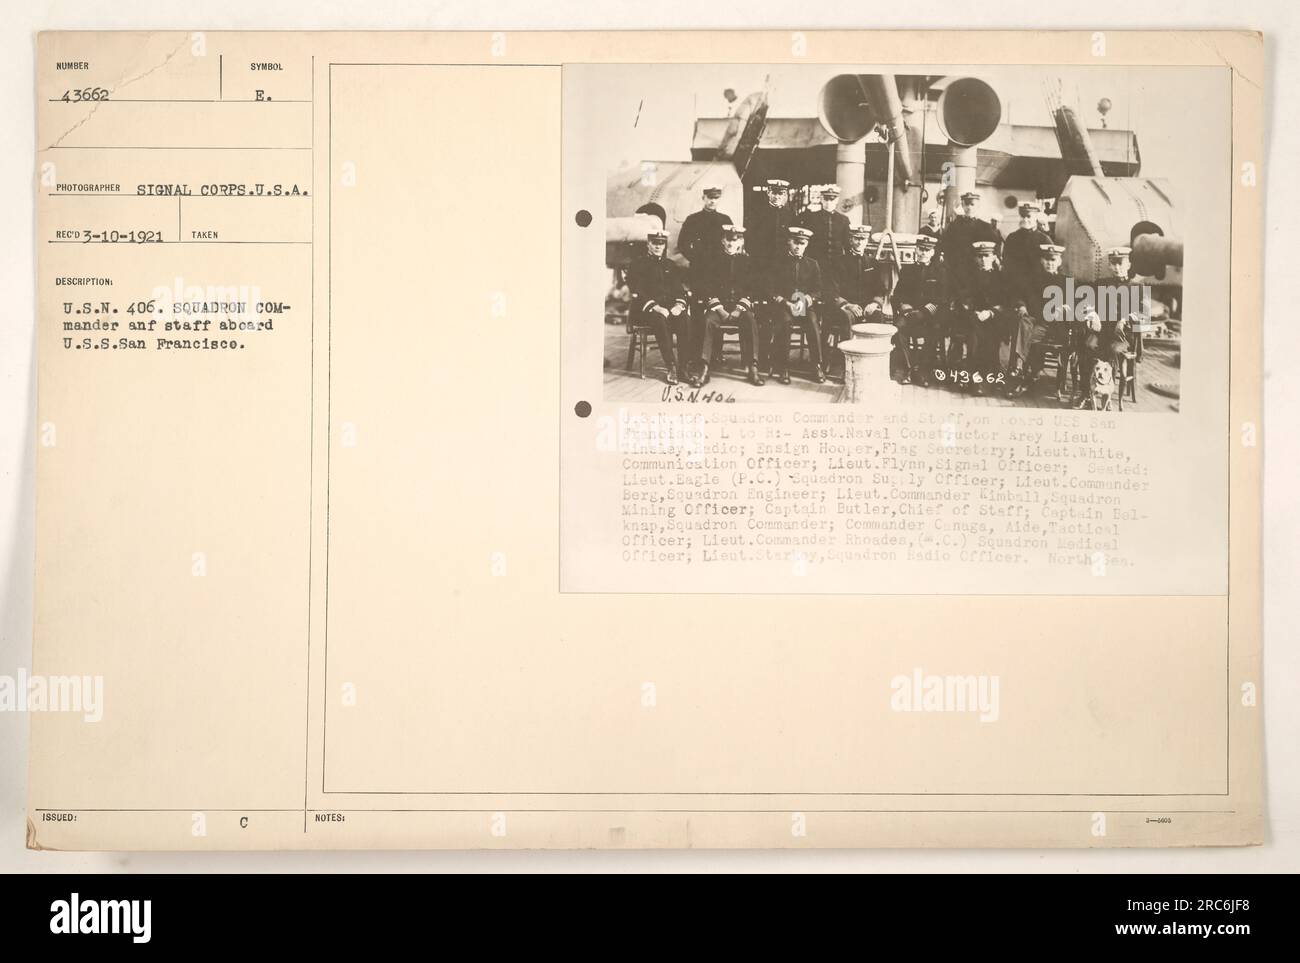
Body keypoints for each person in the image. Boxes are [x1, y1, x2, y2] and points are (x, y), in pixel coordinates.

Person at [690, 225, 764, 387]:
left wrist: (739, 309)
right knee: (708, 321)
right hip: (718, 308)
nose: (731, 243)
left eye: (735, 240)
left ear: (741, 242)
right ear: (722, 241)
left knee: (751, 321)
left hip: (740, 308)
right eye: (728, 239)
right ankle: (704, 368)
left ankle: (753, 367)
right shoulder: (711, 260)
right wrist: (720, 309)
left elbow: (752, 288)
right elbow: (706, 287)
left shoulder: (747, 261)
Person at [625, 229, 688, 385]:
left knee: (685, 319)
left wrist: (679, 305)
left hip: (669, 308)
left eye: (661, 243)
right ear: (648, 244)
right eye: (655, 243)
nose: (658, 246)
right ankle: (671, 366)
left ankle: (684, 367)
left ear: (664, 245)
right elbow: (638, 292)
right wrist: (657, 307)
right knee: (660, 319)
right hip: (645, 310)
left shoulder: (670, 265)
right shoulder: (638, 264)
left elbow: (679, 289)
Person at [764, 226, 825, 384]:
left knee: (813, 323)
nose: (798, 247)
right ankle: (783, 367)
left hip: (804, 306)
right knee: (785, 323)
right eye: (795, 243)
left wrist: (806, 300)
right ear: (788, 243)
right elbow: (770, 289)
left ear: (807, 245)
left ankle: (816, 365)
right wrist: (786, 303)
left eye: (802, 243)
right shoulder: (777, 263)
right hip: (784, 306)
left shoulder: (813, 264)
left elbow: (818, 290)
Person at [827, 224, 886, 378]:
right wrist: (847, 304)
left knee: (878, 316)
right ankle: (847, 365)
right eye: (856, 239)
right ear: (851, 240)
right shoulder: (838, 262)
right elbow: (832, 289)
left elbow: (880, 290)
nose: (860, 242)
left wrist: (874, 304)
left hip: (867, 307)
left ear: (867, 241)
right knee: (847, 317)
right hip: (845, 307)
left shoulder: (873, 263)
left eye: (863, 239)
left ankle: (874, 362)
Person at [893, 233, 947, 384]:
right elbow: (897, 294)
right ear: (916, 250)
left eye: (927, 250)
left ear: (933, 252)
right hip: (909, 313)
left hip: (929, 315)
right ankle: (909, 368)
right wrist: (903, 306)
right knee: (898, 329)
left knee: (934, 331)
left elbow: (942, 298)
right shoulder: (907, 270)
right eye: (921, 249)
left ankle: (923, 370)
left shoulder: (940, 272)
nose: (923, 253)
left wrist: (923, 312)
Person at [950, 240, 1003, 396]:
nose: (983, 260)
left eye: (986, 256)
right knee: (974, 333)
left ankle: (985, 378)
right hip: (972, 317)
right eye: (979, 257)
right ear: (975, 259)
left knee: (988, 336)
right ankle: (974, 377)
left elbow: (1006, 301)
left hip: (994, 318)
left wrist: (991, 312)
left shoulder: (1001, 278)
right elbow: (964, 298)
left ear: (993, 257)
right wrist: (972, 311)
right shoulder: (969, 277)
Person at [940, 191, 998, 297]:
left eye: (972, 204)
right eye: (966, 204)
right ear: (962, 205)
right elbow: (946, 247)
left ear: (978, 206)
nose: (969, 207)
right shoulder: (954, 226)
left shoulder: (985, 226)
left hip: (978, 270)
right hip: (958, 270)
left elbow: (994, 248)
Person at [676, 186, 733, 267]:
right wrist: (695, 259)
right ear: (703, 198)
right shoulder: (692, 219)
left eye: (716, 198)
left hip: (720, 265)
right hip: (699, 265)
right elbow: (682, 244)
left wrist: (725, 258)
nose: (713, 201)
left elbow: (732, 241)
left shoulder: (725, 220)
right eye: (710, 198)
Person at [798, 184, 851, 271]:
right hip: (816, 264)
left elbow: (847, 244)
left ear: (837, 200)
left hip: (836, 265)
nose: (828, 202)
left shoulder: (844, 220)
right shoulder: (812, 218)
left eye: (832, 199)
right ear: (821, 199)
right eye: (826, 199)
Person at [746, 179, 793, 268]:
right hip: (761, 258)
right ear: (768, 192)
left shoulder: (789, 214)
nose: (777, 197)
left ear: (784, 195)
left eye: (780, 194)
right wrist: (754, 253)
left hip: (782, 259)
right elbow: (750, 234)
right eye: (774, 193)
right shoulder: (758, 212)